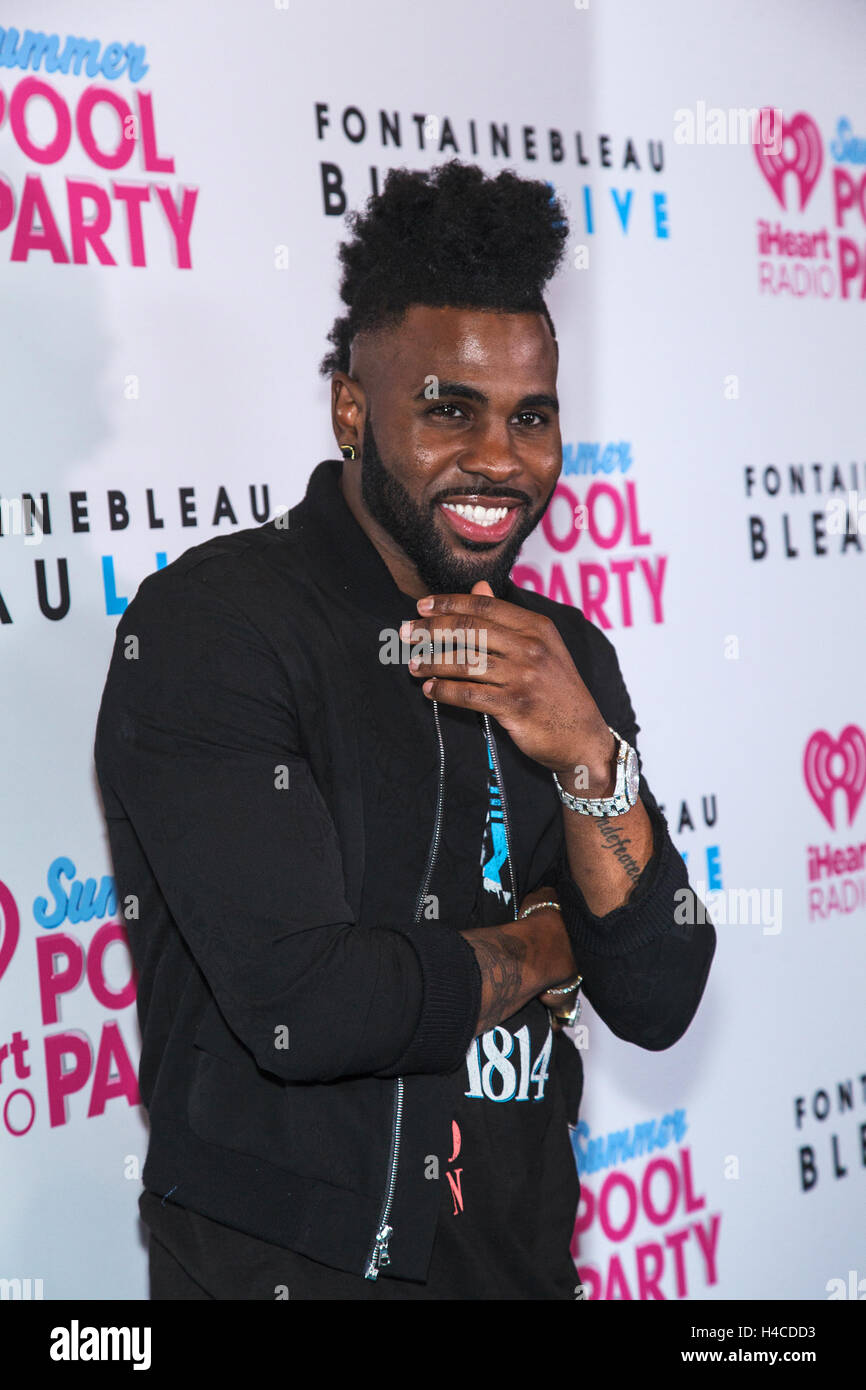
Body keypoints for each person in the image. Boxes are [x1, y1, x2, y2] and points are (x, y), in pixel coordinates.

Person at [93, 161, 715, 1301]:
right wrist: (545, 947)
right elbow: (306, 1008)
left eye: (531, 417)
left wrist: (585, 751)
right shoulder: (217, 626)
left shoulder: (561, 652)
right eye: (448, 410)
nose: (497, 460)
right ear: (350, 407)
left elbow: (663, 987)